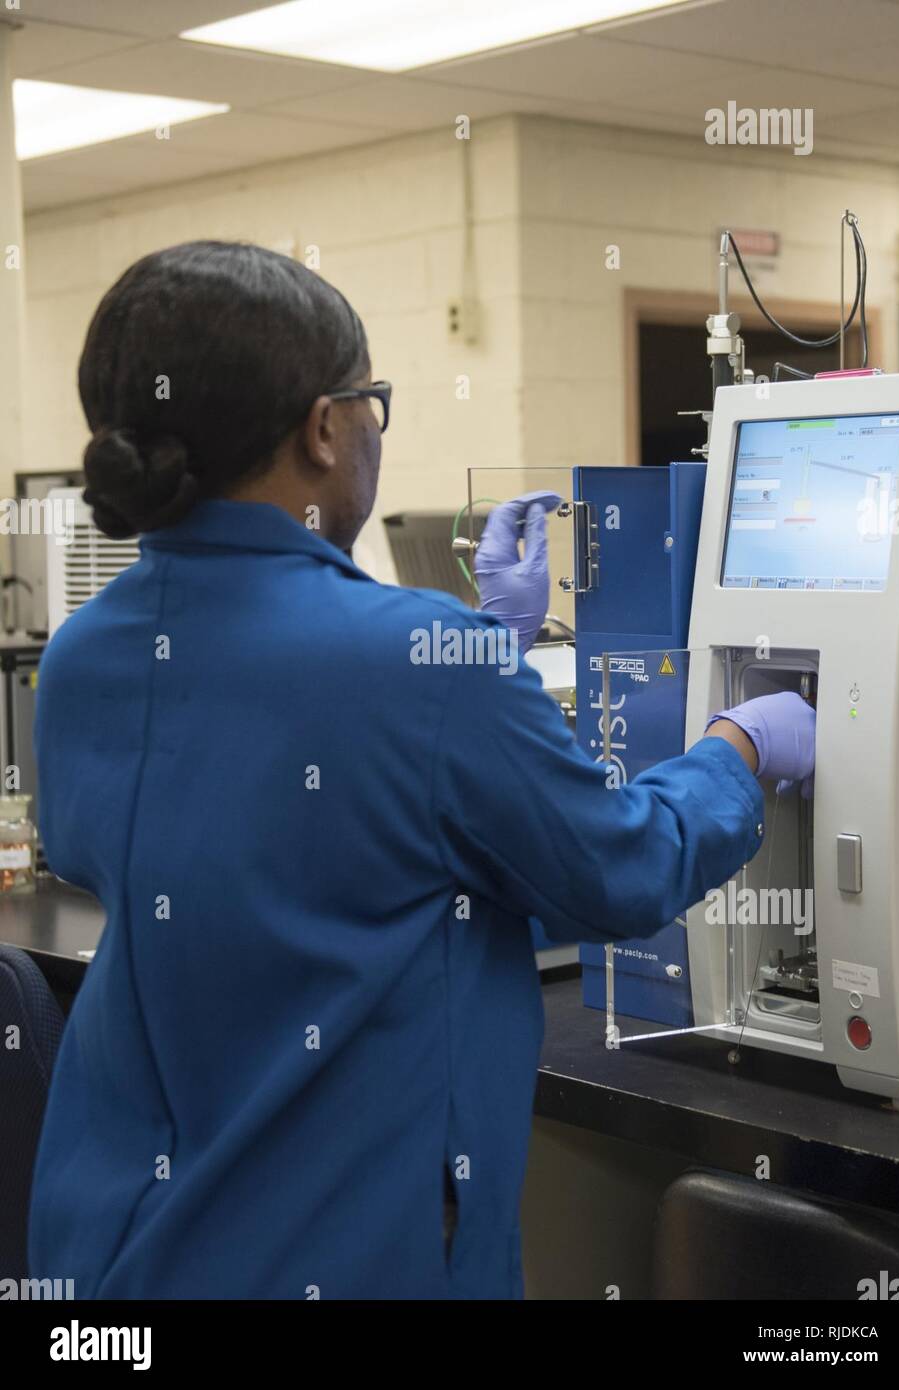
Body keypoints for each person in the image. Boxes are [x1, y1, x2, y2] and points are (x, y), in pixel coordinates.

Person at [28, 242, 815, 1300]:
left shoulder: (83, 655)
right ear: (321, 424)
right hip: (340, 1254)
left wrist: (482, 648)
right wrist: (741, 747)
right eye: (372, 403)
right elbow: (617, 872)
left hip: (112, 1257)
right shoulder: (409, 664)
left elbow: (307, 868)